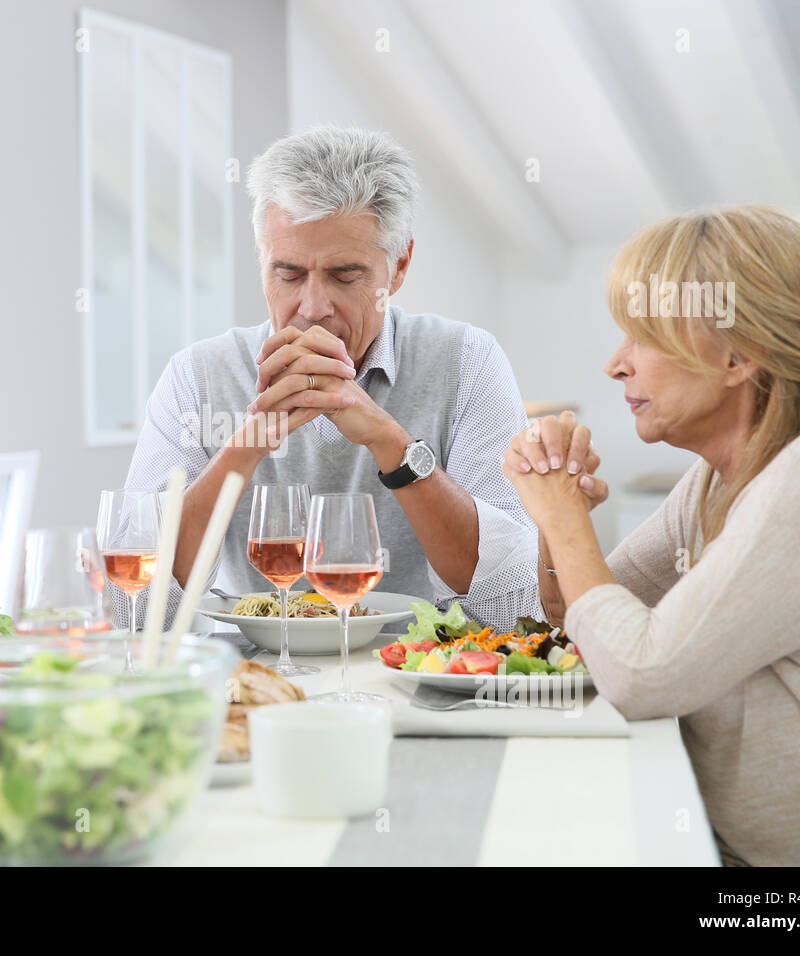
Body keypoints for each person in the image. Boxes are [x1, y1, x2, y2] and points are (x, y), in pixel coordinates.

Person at [502, 205, 800, 866]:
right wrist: (559, 514)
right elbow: (576, 627)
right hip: (714, 849)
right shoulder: (719, 477)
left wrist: (564, 519)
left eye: (642, 335)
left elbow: (643, 675)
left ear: (740, 355)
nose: (615, 365)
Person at [126, 126, 588, 631]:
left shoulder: (467, 362)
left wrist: (387, 439)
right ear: (263, 260)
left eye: (345, 276)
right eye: (289, 273)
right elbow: (136, 610)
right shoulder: (196, 376)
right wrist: (251, 440)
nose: (313, 308)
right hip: (252, 685)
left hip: (420, 683)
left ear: (400, 266)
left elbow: (512, 605)